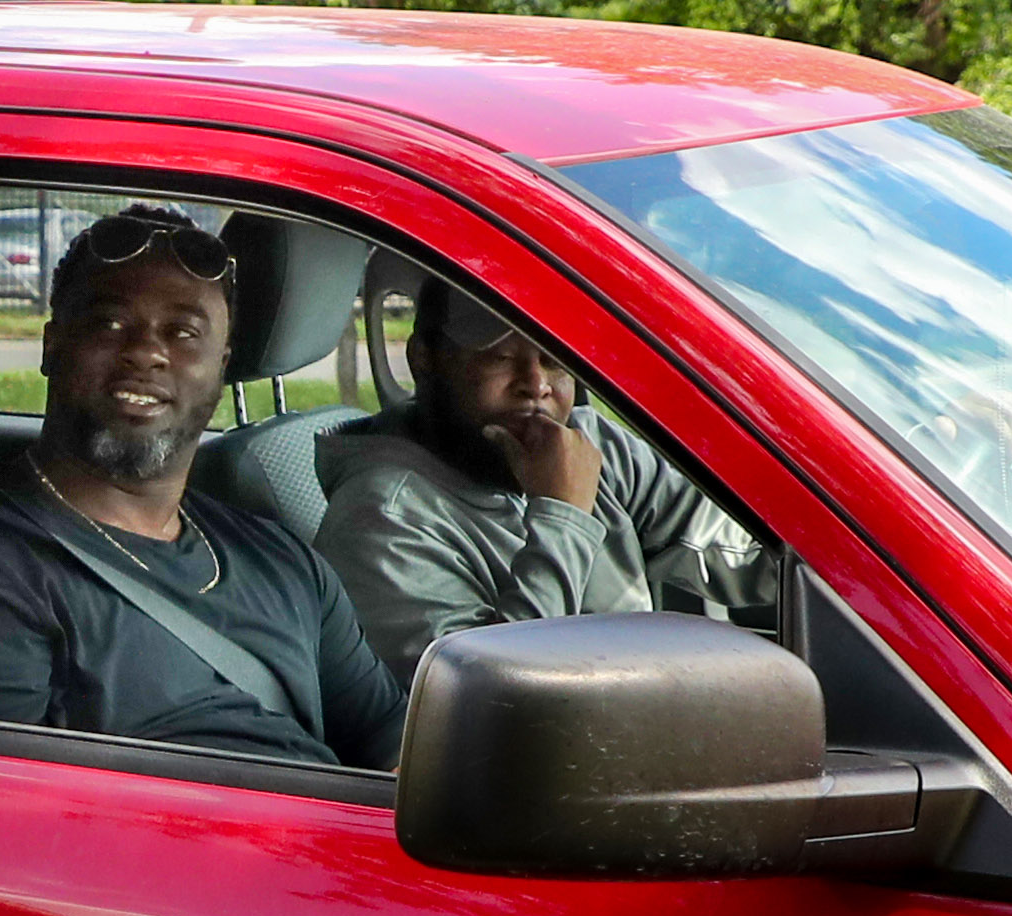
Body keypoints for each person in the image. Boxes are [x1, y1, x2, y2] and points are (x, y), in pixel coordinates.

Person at [0, 205, 406, 767]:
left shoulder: (284, 560)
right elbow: (0, 817)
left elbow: (390, 748)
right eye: (110, 323)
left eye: (183, 332)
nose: (147, 352)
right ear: (53, 347)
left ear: (220, 367)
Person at [312, 280, 782, 681]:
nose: (536, 383)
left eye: (554, 359)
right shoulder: (383, 519)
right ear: (426, 360)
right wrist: (564, 516)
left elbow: (739, 554)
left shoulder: (591, 445)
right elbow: (501, 706)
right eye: (499, 356)